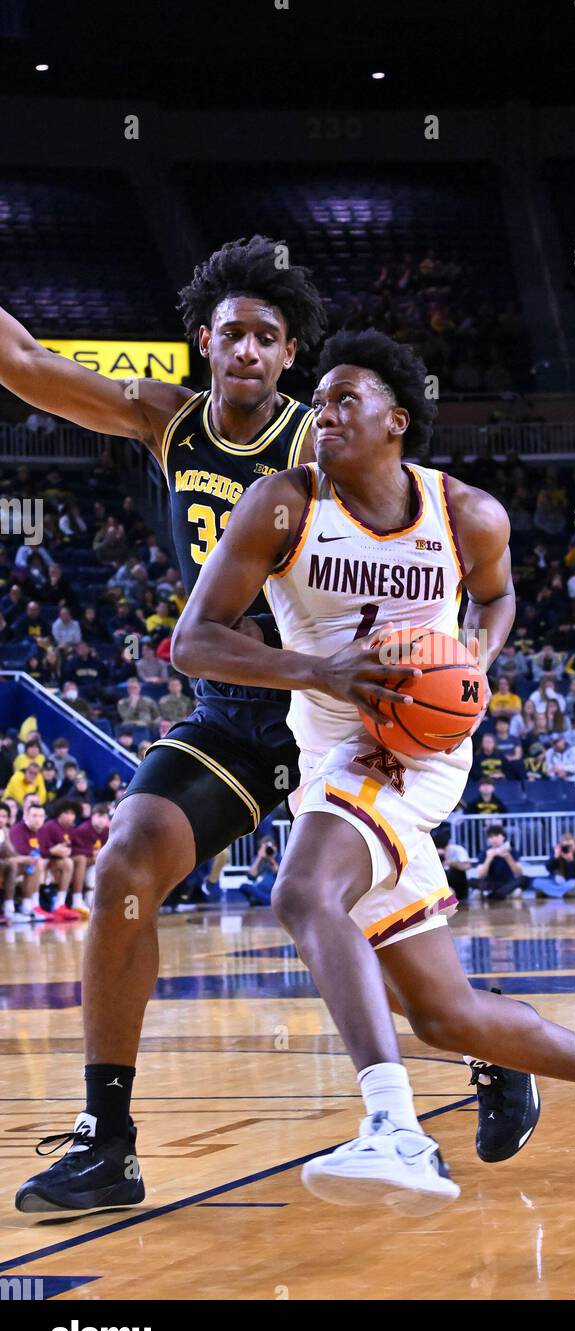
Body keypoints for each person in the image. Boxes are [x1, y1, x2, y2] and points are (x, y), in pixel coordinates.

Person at [167, 328, 575, 1207]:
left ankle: (395, 1130)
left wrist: (475, 652)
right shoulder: (281, 505)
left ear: (396, 419)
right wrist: (319, 671)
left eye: (342, 399)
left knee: (301, 893)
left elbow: (500, 593)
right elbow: (194, 642)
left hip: (417, 754)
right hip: (330, 753)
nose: (321, 413)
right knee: (447, 1016)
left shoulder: (466, 512)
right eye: (315, 401)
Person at [6, 235, 337, 1213]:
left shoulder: (320, 446)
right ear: (202, 342)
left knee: (391, 947)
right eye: (230, 332)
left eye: (266, 338)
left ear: (288, 358)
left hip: (331, 710)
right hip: (236, 711)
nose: (245, 350)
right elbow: (23, 363)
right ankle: (107, 1140)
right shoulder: (168, 422)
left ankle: (497, 1065)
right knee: (122, 865)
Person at [532, 832, 575, 898]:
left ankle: (550, 893)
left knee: (574, 883)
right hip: (555, 883)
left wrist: (571, 861)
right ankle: (563, 893)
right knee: (536, 882)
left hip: (570, 883)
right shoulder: (557, 852)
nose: (568, 848)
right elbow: (548, 868)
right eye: (565, 846)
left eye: (570, 846)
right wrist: (555, 857)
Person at [238, 835, 281, 906]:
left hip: (272, 890)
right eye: (265, 848)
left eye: (270, 847)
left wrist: (271, 859)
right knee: (243, 886)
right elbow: (251, 876)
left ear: (275, 847)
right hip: (259, 889)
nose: (268, 850)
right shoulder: (257, 859)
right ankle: (265, 900)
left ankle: (262, 900)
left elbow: (279, 874)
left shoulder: (280, 858)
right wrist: (259, 857)